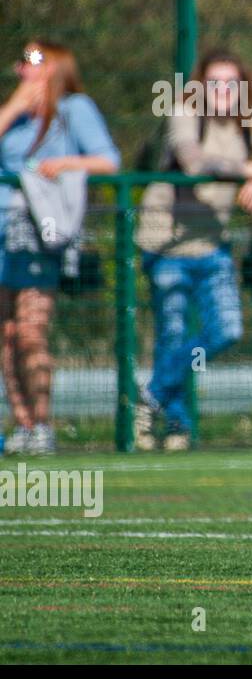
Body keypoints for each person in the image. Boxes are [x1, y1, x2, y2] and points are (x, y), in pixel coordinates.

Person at [135, 49, 252, 451]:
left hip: (212, 245)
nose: (223, 90)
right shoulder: (184, 111)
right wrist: (249, 170)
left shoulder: (248, 117)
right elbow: (192, 162)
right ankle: (176, 425)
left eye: (231, 83)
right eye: (214, 82)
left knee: (227, 330)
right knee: (172, 337)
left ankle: (150, 395)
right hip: (166, 242)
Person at [0, 41, 120, 455]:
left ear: (55, 67)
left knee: (31, 330)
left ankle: (44, 424)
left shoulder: (75, 109)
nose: (23, 69)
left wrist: (66, 165)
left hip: (37, 232)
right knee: (7, 335)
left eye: (34, 61)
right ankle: (23, 425)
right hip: (1, 231)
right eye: (22, 62)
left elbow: (109, 161)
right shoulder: (11, 117)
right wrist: (14, 107)